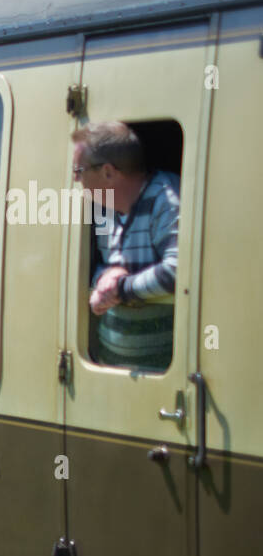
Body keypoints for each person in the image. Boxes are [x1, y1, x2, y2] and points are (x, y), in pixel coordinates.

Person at [72, 121, 179, 370]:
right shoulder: (103, 208)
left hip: (160, 367)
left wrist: (120, 287)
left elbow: (178, 271)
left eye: (79, 170)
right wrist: (107, 276)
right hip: (110, 361)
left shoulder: (165, 198)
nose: (76, 179)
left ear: (108, 172)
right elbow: (97, 268)